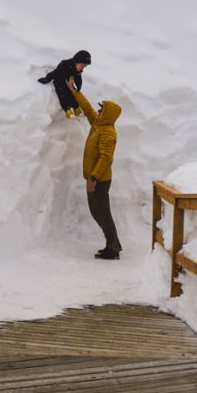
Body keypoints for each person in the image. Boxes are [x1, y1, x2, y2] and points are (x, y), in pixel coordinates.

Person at [68, 77, 123, 260]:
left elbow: (106, 158)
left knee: (102, 214)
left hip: (99, 180)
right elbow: (88, 109)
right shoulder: (99, 125)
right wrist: (74, 91)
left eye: (102, 109)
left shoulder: (108, 132)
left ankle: (113, 249)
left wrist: (93, 178)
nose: (99, 110)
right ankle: (112, 245)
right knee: (98, 212)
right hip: (94, 178)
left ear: (108, 114)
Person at [37, 50, 92, 119]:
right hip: (59, 82)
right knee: (63, 95)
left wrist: (78, 86)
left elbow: (78, 78)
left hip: (69, 83)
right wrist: (47, 79)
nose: (82, 68)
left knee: (73, 95)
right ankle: (67, 111)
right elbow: (55, 73)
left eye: (84, 66)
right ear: (76, 61)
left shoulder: (78, 70)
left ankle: (77, 109)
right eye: (82, 65)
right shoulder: (65, 65)